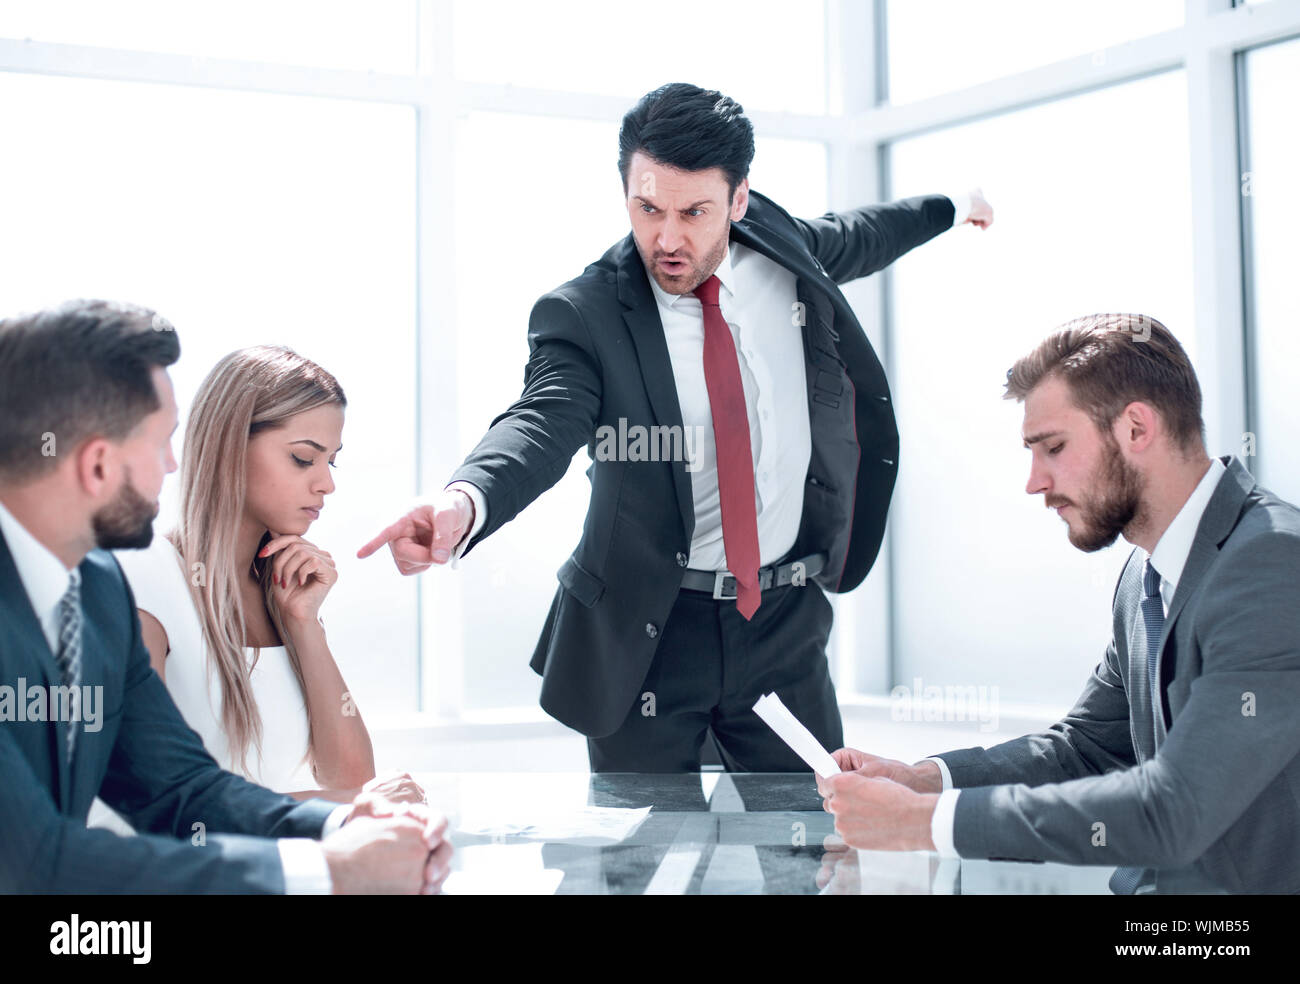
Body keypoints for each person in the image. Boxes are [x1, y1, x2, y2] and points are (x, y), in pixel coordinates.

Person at [359, 82, 993, 773]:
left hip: (783, 623)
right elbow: (542, 419)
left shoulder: (782, 249)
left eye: (694, 212)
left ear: (739, 199)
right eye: (648, 208)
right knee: (642, 842)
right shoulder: (587, 313)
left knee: (810, 831)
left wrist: (958, 205)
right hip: (650, 632)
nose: (667, 238)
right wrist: (465, 498)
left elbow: (862, 235)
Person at [817, 313, 1300, 895]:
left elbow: (1177, 808)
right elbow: (1088, 748)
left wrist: (924, 823)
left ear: (1137, 428)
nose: (1034, 482)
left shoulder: (1271, 561)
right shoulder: (1145, 575)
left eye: (1054, 447)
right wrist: (923, 781)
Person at [0, 299, 450, 893]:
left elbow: (177, 789)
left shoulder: (99, 592)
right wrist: (331, 870)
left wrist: (344, 824)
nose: (173, 465)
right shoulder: (136, 583)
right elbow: (32, 860)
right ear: (98, 464)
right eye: (160, 444)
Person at [112, 346, 423, 803]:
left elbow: (349, 778)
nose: (327, 483)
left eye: (331, 460)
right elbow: (153, 801)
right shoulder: (144, 578)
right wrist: (346, 808)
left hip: (279, 852)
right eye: (303, 458)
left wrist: (304, 624)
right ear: (230, 447)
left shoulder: (282, 593)